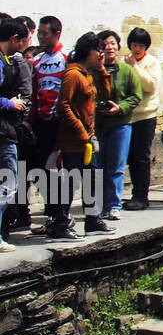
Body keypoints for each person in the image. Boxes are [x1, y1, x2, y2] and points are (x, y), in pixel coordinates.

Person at [54, 31, 111, 235]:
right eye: (99, 52)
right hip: (74, 140)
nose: (100, 55)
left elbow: (105, 93)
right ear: (90, 51)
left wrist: (102, 70)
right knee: (71, 181)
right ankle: (60, 223)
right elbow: (64, 105)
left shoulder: (88, 74)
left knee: (92, 178)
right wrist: (80, 131)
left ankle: (93, 219)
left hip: (89, 138)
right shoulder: (73, 75)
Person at [94, 30, 142, 220]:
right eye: (105, 44)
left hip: (120, 125)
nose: (109, 47)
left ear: (118, 47)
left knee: (116, 166)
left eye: (113, 43)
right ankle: (98, 205)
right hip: (98, 125)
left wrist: (120, 108)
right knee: (98, 166)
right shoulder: (93, 71)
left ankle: (114, 204)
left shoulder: (127, 71)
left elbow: (136, 96)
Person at [26, 16, 67, 234]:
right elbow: (33, 96)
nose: (41, 37)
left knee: (56, 169)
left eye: (45, 33)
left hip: (60, 125)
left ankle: (61, 217)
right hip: (41, 125)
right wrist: (31, 124)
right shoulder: (38, 61)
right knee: (40, 169)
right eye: (39, 33)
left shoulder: (67, 59)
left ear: (57, 34)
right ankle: (53, 215)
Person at [0, 18, 33, 250]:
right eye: (21, 43)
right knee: (6, 184)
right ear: (14, 39)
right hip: (3, 132)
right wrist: (10, 104)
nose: (22, 49)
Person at [120, 28, 161, 210]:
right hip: (128, 116)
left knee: (141, 157)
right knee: (129, 157)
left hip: (146, 115)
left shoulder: (152, 63)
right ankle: (130, 194)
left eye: (141, 45)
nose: (137, 49)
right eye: (134, 44)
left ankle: (141, 196)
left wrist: (135, 67)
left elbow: (150, 86)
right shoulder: (124, 62)